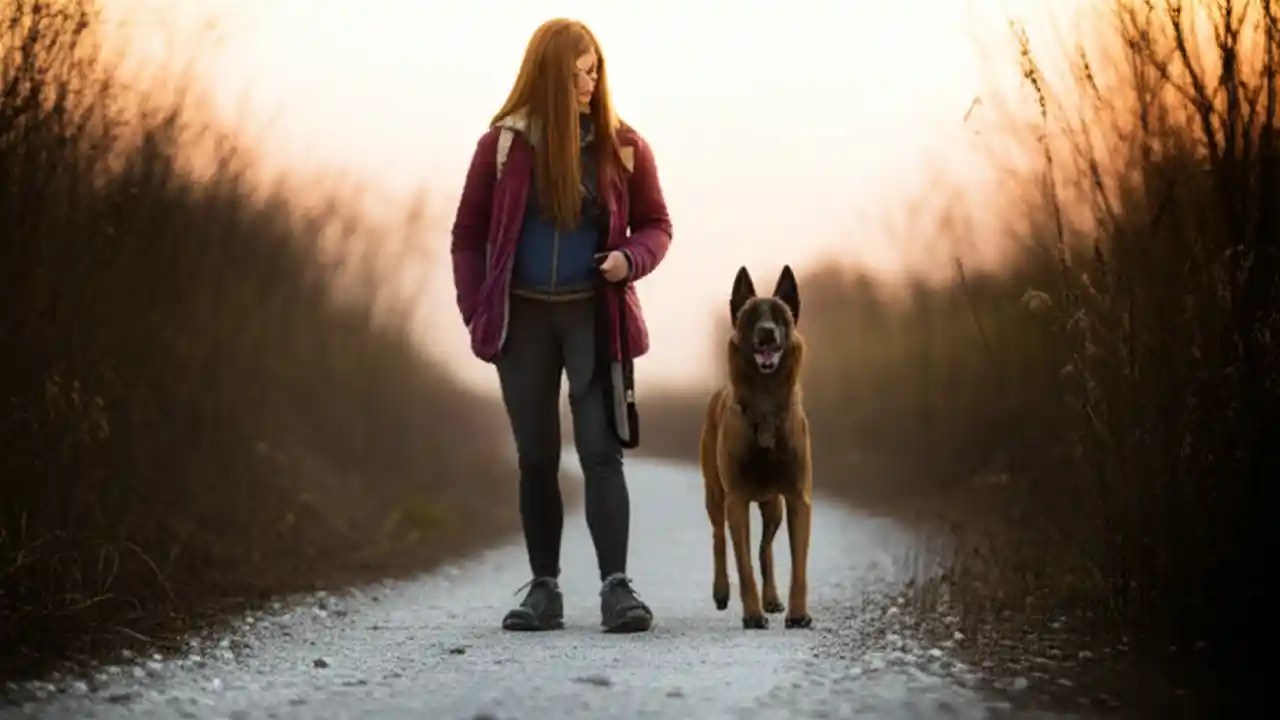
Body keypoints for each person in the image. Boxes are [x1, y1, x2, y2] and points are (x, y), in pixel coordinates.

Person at [449, 17, 673, 633]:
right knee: (537, 458)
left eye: (595, 69)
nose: (590, 81)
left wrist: (632, 258)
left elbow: (658, 224)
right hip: (521, 320)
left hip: (593, 317)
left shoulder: (623, 145)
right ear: (550, 73)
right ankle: (544, 591)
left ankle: (616, 590)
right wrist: (479, 312)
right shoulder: (501, 146)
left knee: (602, 454)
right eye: (579, 70)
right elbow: (467, 238)